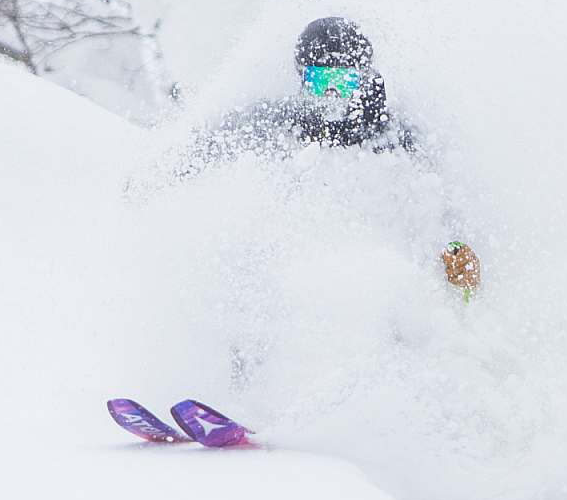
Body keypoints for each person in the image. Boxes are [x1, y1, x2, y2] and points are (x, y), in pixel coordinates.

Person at [174, 16, 480, 294]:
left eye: (343, 82)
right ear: (302, 80)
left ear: (363, 80)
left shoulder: (396, 141)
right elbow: (216, 144)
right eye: (320, 82)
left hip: (380, 295)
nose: (331, 95)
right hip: (296, 292)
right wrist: (167, 176)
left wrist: (458, 253)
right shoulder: (281, 127)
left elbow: (444, 214)